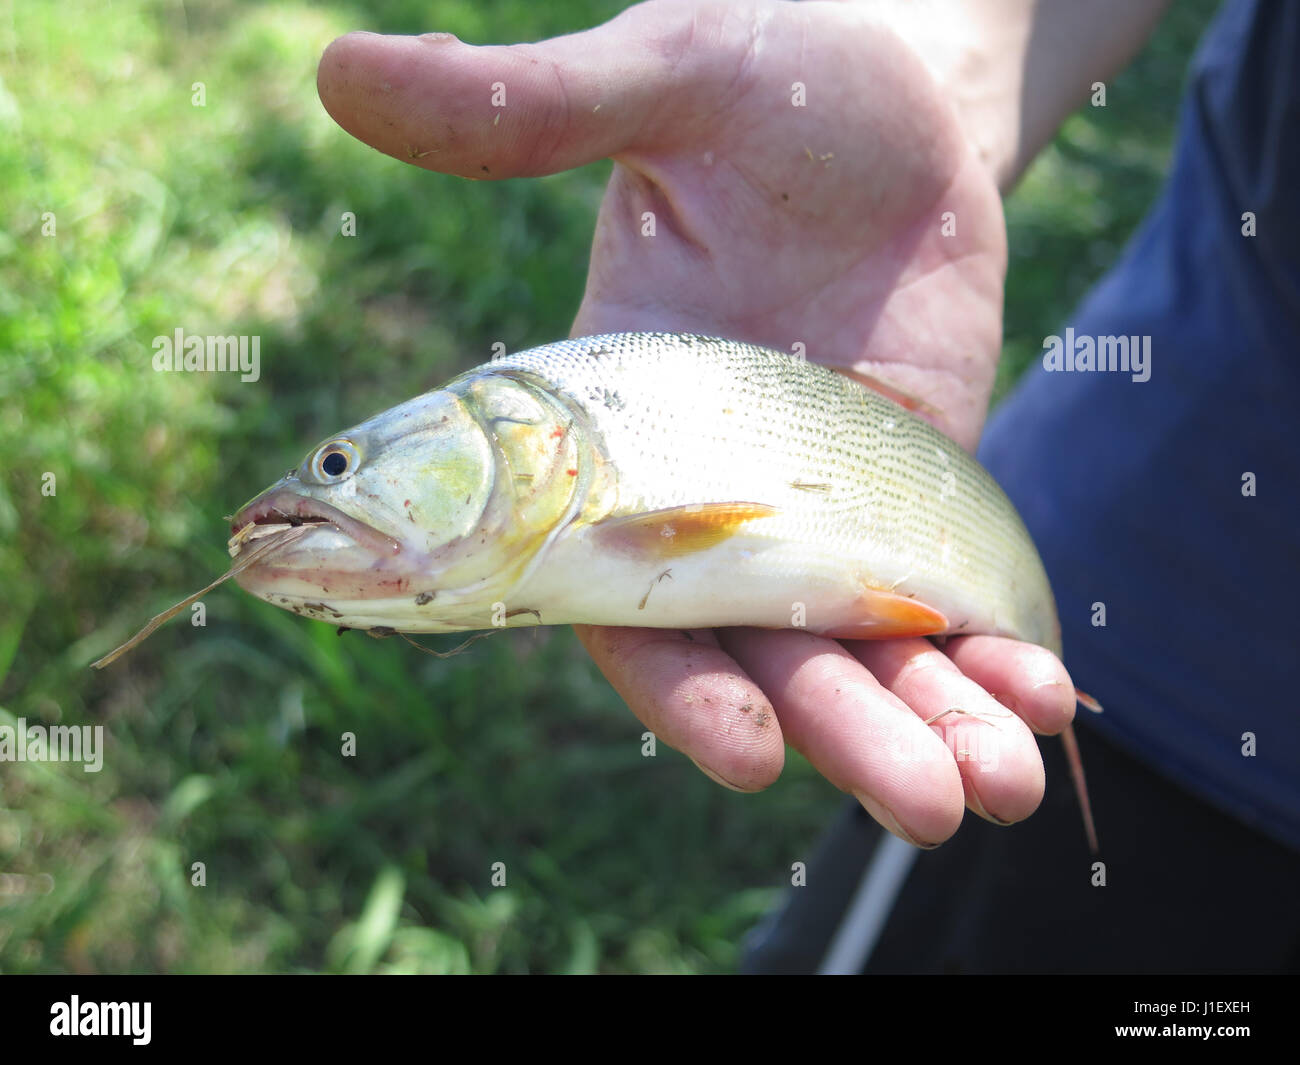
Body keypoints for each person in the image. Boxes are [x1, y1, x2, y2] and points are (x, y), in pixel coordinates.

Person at [314, 0, 1300, 971]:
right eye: (338, 467)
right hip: (1172, 590)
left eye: (340, 467)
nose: (331, 487)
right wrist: (946, 87)